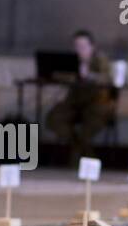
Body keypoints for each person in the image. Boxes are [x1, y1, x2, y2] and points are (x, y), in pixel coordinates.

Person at [46, 30, 112, 165]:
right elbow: (59, 75)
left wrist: (89, 75)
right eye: (76, 46)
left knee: (91, 124)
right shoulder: (72, 61)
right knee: (54, 118)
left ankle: (78, 154)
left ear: (92, 47)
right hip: (73, 103)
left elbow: (108, 79)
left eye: (83, 47)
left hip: (95, 103)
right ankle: (79, 147)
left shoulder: (100, 60)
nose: (79, 50)